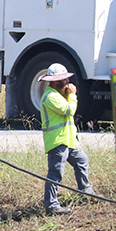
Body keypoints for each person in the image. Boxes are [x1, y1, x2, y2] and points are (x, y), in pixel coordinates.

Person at [38, 63, 90, 215]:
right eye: (64, 80)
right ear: (56, 82)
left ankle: (86, 192)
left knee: (82, 161)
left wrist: (68, 95)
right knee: (55, 173)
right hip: (58, 141)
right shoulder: (51, 97)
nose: (68, 82)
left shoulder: (58, 95)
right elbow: (69, 110)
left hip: (69, 140)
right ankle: (52, 205)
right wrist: (72, 95)